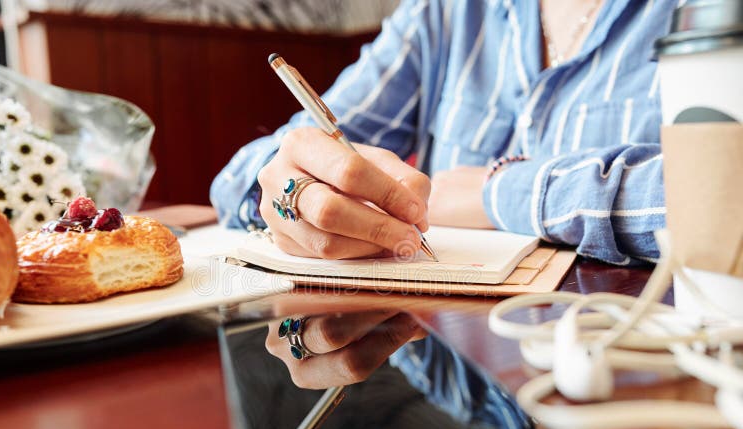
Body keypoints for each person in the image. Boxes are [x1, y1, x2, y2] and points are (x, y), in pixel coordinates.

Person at [211, 0, 675, 265]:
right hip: (450, 366)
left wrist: (501, 192)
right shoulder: (445, 12)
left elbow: (722, 198)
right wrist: (289, 192)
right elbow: (238, 180)